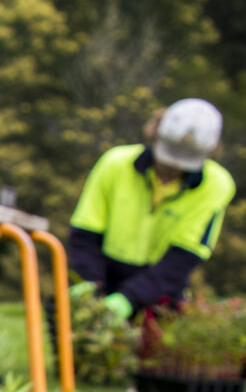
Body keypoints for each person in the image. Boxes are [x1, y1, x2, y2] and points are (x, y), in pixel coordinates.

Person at [67, 99, 233, 322]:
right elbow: (85, 234)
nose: (174, 166)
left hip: (161, 289)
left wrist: (129, 299)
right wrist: (90, 287)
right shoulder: (116, 163)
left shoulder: (216, 185)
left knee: (156, 353)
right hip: (102, 274)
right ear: (155, 133)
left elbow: (184, 257)